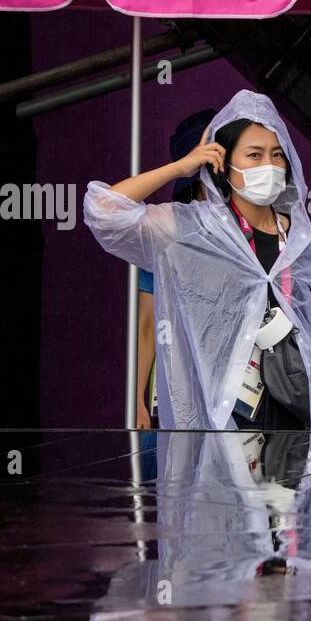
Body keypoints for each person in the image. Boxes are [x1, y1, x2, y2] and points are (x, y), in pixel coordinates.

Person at [84, 90, 311, 431]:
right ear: (223, 163)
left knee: (293, 482)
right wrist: (180, 167)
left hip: (291, 406)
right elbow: (104, 210)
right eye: (254, 155)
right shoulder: (193, 229)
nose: (269, 165)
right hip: (221, 409)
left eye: (277, 155)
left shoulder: (297, 236)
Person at [135, 109, 217, 430]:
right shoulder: (167, 234)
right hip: (176, 392)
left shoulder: (254, 229)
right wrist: (136, 398)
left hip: (238, 396)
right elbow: (146, 324)